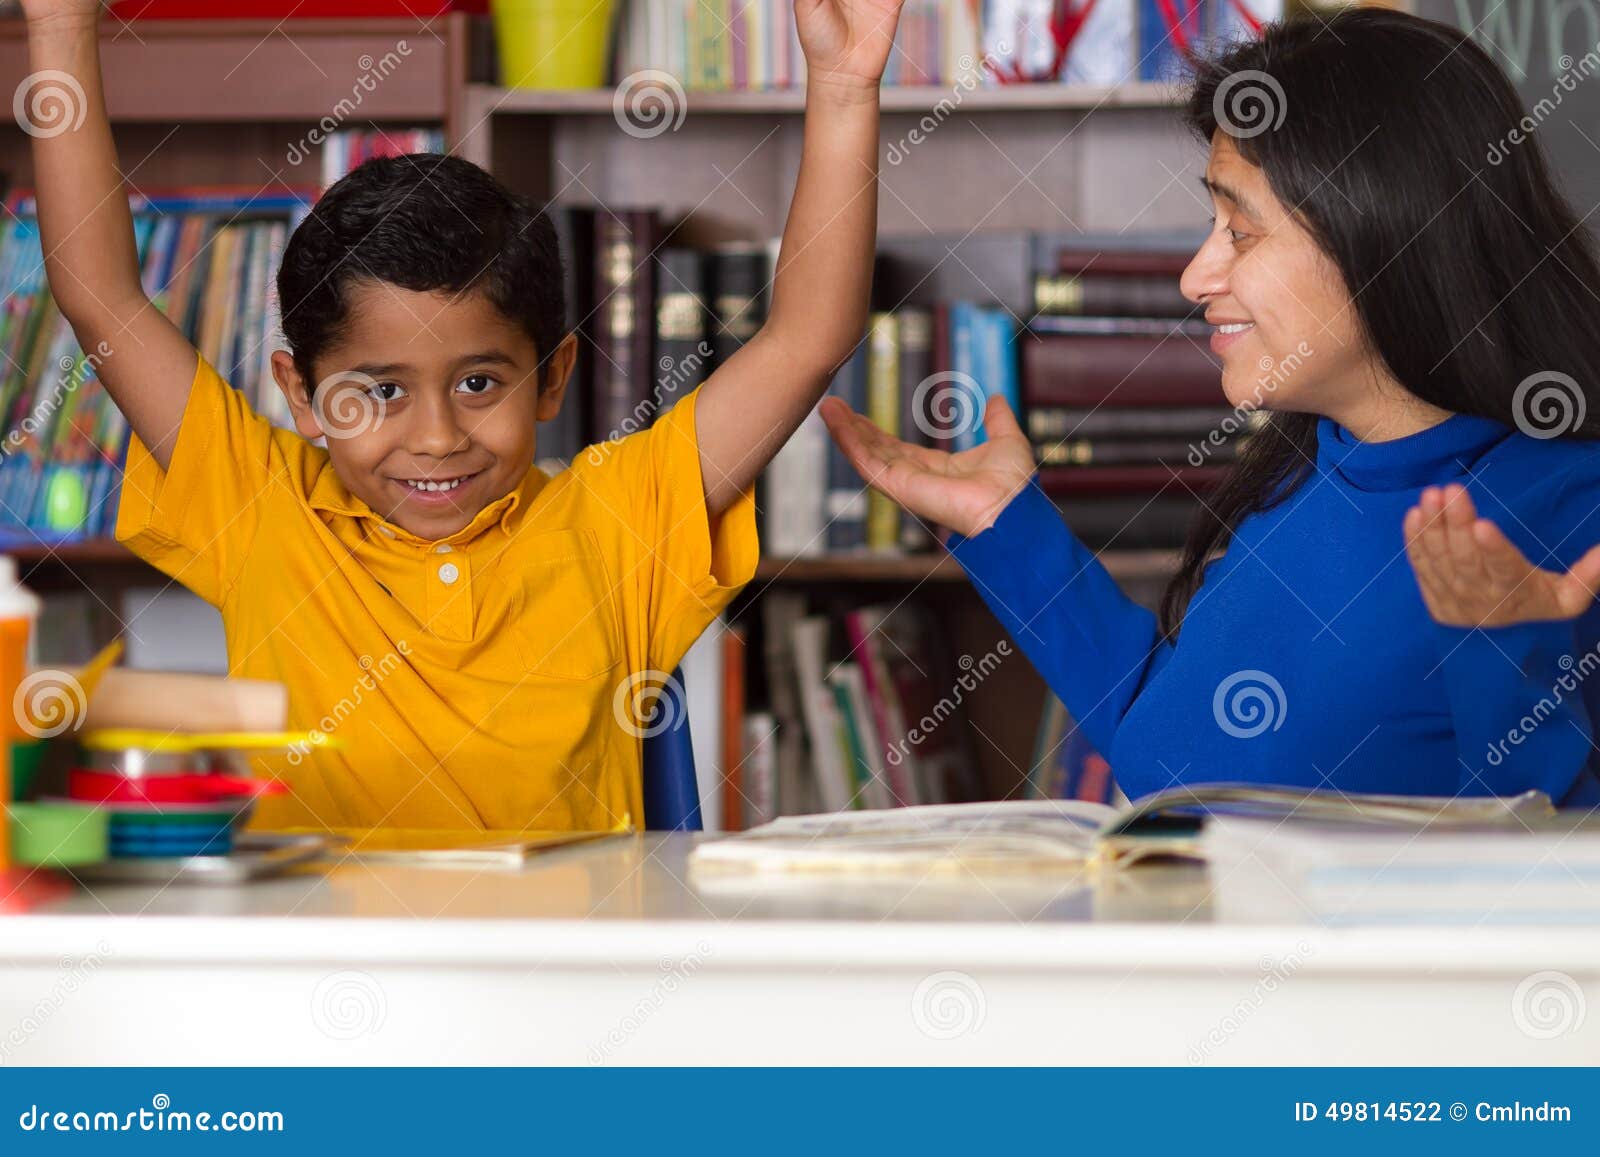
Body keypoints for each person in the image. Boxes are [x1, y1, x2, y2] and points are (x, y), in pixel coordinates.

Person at [19, 0, 905, 831]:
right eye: (382, 391)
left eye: (480, 383)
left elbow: (806, 339)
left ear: (552, 376)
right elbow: (101, 299)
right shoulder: (261, 507)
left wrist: (843, 87)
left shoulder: (618, 521)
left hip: (558, 983)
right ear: (302, 396)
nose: (437, 436)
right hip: (311, 984)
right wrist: (59, 24)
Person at [822, 8, 1600, 806]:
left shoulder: (1574, 517)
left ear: (1381, 232)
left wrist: (1508, 658)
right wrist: (1008, 527)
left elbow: (1556, 899)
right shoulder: (1304, 471)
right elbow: (1180, 748)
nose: (1195, 277)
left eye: (1242, 230)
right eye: (1212, 222)